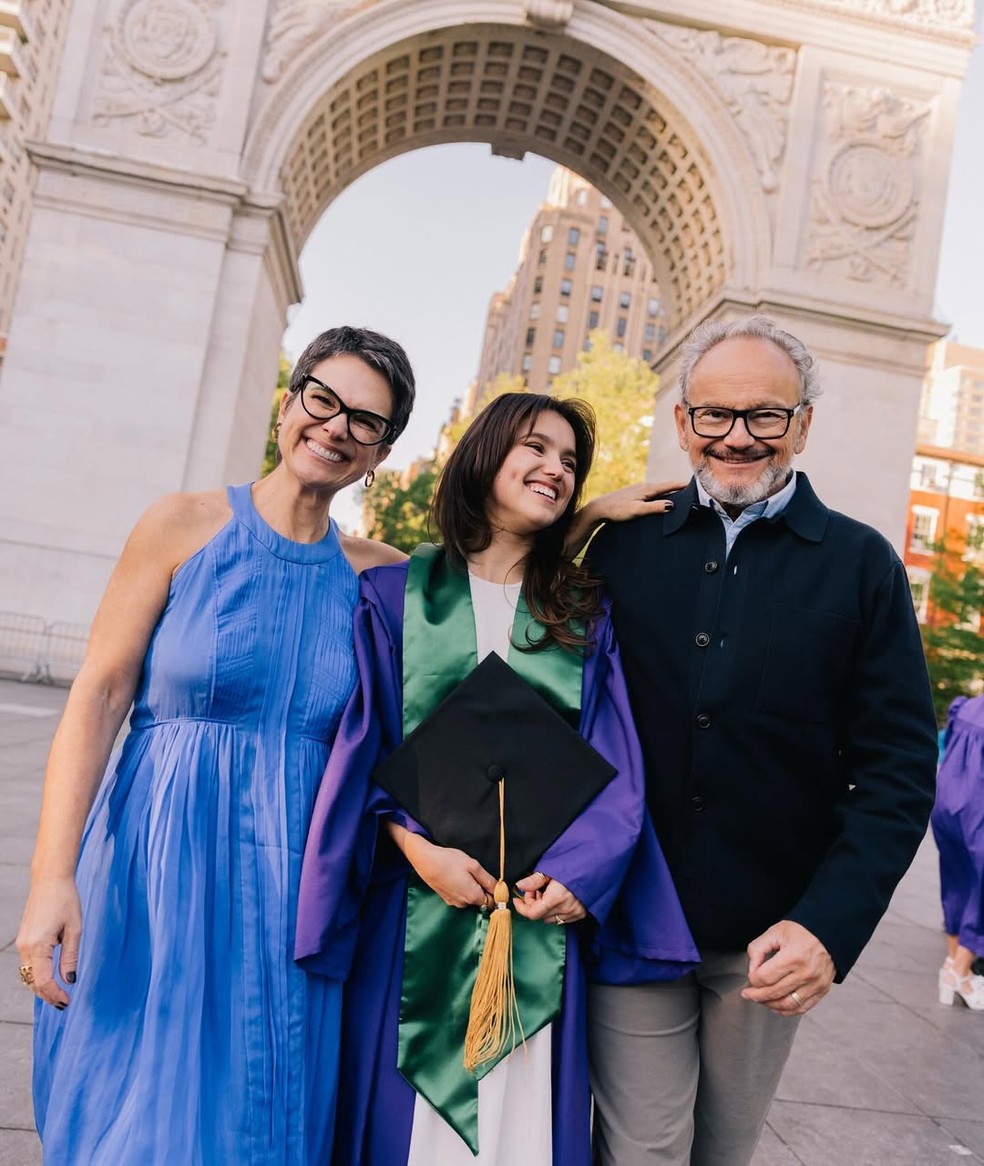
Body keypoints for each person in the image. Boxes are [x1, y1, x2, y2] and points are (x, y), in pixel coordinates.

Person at [15, 326, 416, 1163]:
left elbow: (507, 595)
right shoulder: (179, 525)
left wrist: (591, 517)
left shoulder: (384, 577)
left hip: (296, 888)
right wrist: (51, 878)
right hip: (154, 864)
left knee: (261, 1113)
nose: (336, 427)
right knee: (126, 1106)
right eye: (323, 400)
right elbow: (95, 699)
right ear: (287, 405)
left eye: (365, 422)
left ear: (380, 452)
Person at [294, 392, 698, 1166]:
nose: (556, 469)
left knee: (523, 1128)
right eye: (536, 448)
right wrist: (419, 851)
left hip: (535, 920)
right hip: (415, 911)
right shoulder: (393, 596)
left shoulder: (581, 619)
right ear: (485, 455)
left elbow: (619, 768)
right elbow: (358, 751)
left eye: (570, 462)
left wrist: (579, 875)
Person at [582, 315, 939, 1166]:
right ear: (682, 423)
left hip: (772, 937)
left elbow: (898, 769)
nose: (737, 438)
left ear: (803, 424)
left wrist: (827, 927)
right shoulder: (623, 544)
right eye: (714, 415)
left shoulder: (863, 564)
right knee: (646, 1151)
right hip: (636, 910)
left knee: (725, 1153)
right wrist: (579, 519)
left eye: (765, 416)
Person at [932, 693, 984, 1010]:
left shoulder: (968, 706)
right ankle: (958, 971)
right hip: (980, 811)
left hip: (948, 806)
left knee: (957, 883)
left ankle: (953, 967)